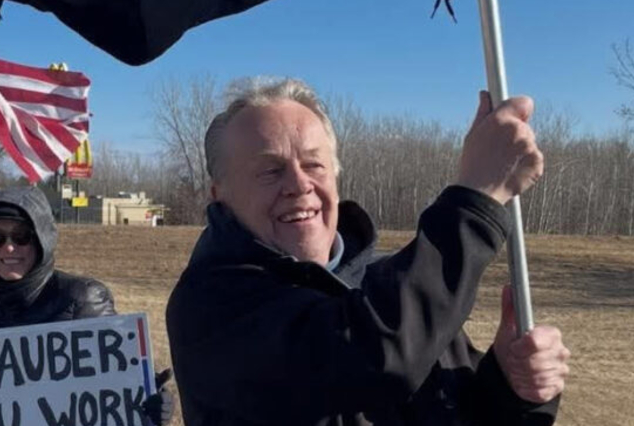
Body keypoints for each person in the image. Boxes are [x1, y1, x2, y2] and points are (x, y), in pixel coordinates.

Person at [167, 78, 571, 425]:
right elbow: (373, 358)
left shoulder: (390, 284)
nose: (298, 185)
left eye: (314, 165)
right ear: (220, 196)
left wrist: (510, 386)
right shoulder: (210, 304)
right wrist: (477, 198)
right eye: (270, 170)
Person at [0, 186, 174, 426]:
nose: (9, 248)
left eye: (21, 236)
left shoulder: (82, 297)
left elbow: (110, 391)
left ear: (41, 240)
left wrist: (145, 404)